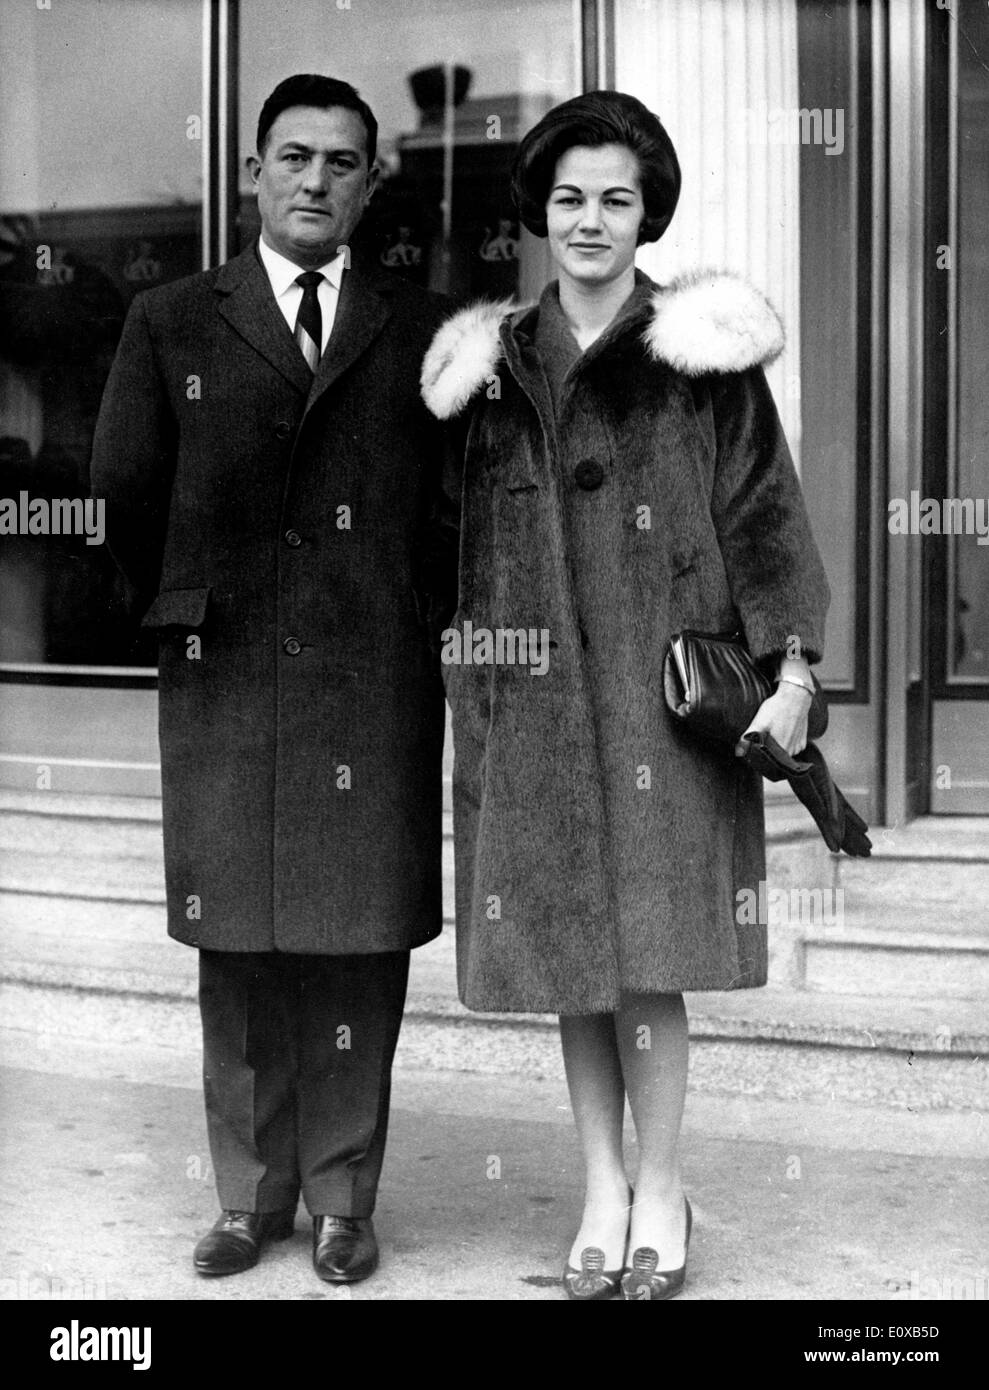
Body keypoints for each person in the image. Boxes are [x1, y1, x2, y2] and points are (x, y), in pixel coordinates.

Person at [420, 90, 830, 1301]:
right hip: (531, 702)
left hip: (667, 704)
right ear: (538, 214)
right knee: (566, 958)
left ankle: (662, 1189)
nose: (589, 219)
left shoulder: (701, 356)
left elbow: (763, 518)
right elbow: (444, 545)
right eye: (567, 198)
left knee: (646, 960)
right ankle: (600, 1184)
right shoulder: (486, 371)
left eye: (615, 197)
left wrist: (795, 668)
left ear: (648, 211)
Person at [91, 74, 450, 1286]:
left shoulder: (419, 329)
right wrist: (187, 615)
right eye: (291, 157)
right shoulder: (174, 320)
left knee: (354, 943)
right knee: (238, 944)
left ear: (369, 182)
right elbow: (126, 495)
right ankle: (251, 1200)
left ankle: (345, 1201)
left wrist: (414, 621)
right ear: (250, 173)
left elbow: (454, 519)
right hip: (229, 677)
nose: (314, 181)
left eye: (341, 162)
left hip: (370, 682)